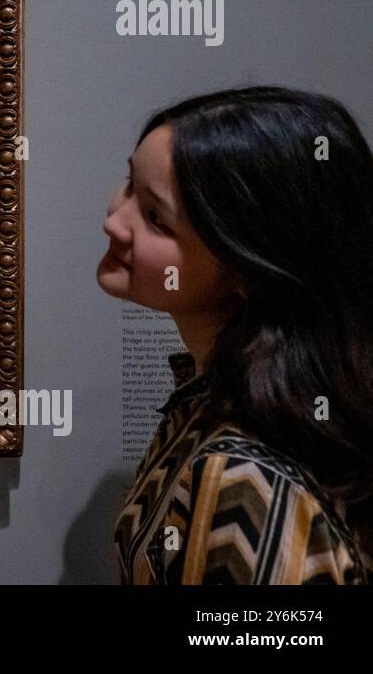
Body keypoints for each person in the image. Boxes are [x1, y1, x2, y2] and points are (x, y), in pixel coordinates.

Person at [101, 85, 372, 584]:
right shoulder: (210, 397)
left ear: (247, 267)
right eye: (128, 184)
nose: (114, 220)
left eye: (156, 217)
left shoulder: (245, 481)